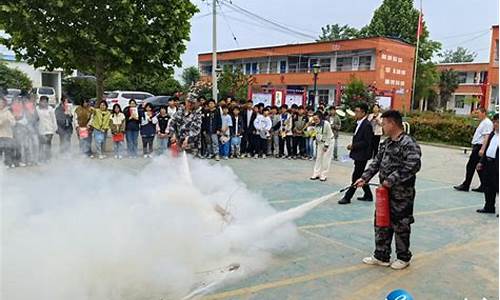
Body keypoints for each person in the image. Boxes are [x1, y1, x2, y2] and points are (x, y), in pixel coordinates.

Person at [355, 110, 422, 270]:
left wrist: (390, 180)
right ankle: (381, 255)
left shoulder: (408, 143)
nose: (382, 126)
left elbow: (413, 165)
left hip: (401, 194)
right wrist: (364, 178)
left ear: (392, 123)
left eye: (384, 123)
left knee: (401, 224)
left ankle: (403, 257)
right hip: (384, 192)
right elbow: (376, 163)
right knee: (381, 222)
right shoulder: (386, 143)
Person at [339, 102, 374, 204]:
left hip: (362, 155)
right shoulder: (359, 123)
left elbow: (366, 142)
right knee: (361, 176)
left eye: (357, 111)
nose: (355, 113)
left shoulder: (367, 125)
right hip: (358, 154)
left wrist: (353, 146)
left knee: (356, 177)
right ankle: (368, 195)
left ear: (363, 113)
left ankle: (347, 197)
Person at [454, 107, 492, 192]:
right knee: (479, 168)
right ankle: (484, 185)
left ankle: (466, 185)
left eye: (478, 113)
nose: (477, 115)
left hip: (480, 146)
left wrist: (482, 149)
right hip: (477, 146)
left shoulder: (487, 123)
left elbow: (487, 137)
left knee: (471, 166)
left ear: (484, 113)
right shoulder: (483, 122)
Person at [476, 113, 499, 214]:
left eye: (498, 122)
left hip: (497, 165)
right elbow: (487, 149)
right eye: (494, 122)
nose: (495, 124)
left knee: (497, 186)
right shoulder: (493, 134)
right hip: (488, 163)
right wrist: (481, 162)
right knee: (488, 186)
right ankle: (489, 206)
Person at [310, 112, 334, 181]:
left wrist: (326, 145)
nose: (315, 121)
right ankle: (316, 173)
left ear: (320, 118)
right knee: (318, 158)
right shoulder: (314, 124)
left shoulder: (326, 124)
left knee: (326, 158)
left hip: (329, 142)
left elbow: (329, 135)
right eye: (314, 119)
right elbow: (313, 133)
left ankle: (324, 175)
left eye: (316, 119)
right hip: (320, 142)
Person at [36, 96, 57, 162]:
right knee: (41, 144)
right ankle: (40, 158)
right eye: (42, 102)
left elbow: (54, 119)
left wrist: (55, 128)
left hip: (49, 129)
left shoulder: (50, 109)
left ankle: (47, 158)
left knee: (48, 143)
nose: (43, 103)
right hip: (40, 129)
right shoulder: (37, 109)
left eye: (45, 102)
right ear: (40, 102)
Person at [0, 97, 15, 167]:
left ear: (4, 104)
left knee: (7, 151)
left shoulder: (8, 112)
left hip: (7, 135)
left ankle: (8, 164)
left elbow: (13, 123)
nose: (0, 104)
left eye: (1, 103)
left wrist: (10, 121)